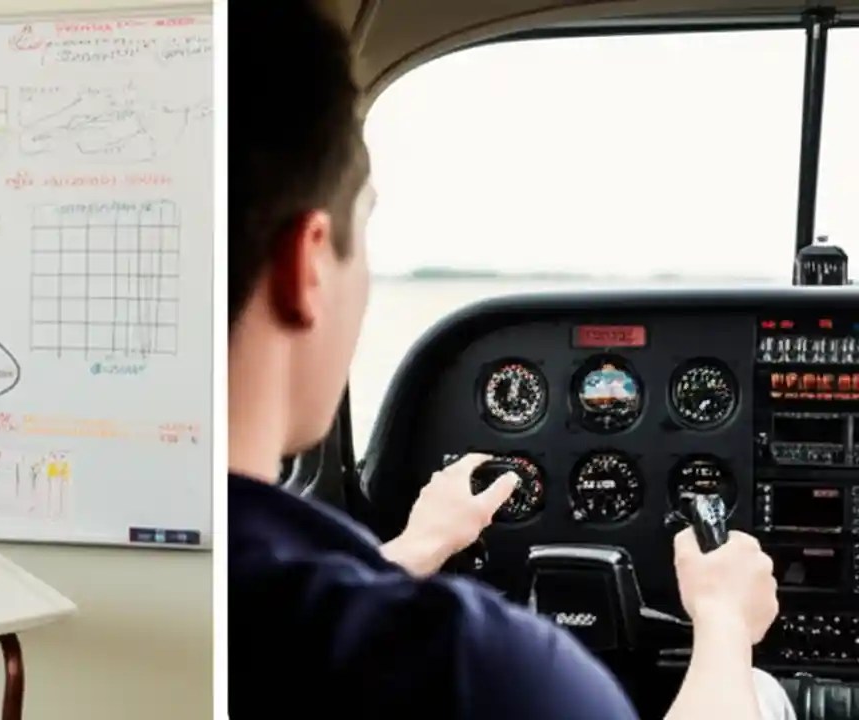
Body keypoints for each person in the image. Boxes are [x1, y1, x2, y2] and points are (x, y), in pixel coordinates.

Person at [227, 2, 791, 719]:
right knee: (762, 694)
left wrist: (418, 543)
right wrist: (724, 627)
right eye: (363, 228)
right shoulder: (487, 671)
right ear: (307, 265)